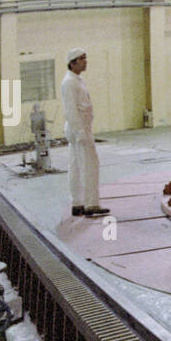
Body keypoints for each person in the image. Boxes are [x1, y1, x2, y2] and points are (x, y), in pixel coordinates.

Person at [61, 47, 109, 219]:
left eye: (85, 58)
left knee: (75, 167)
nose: (85, 61)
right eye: (81, 58)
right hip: (79, 129)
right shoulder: (69, 82)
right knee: (90, 165)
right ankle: (91, 204)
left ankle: (77, 203)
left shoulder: (76, 80)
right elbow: (70, 111)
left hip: (79, 129)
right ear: (72, 63)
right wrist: (80, 132)